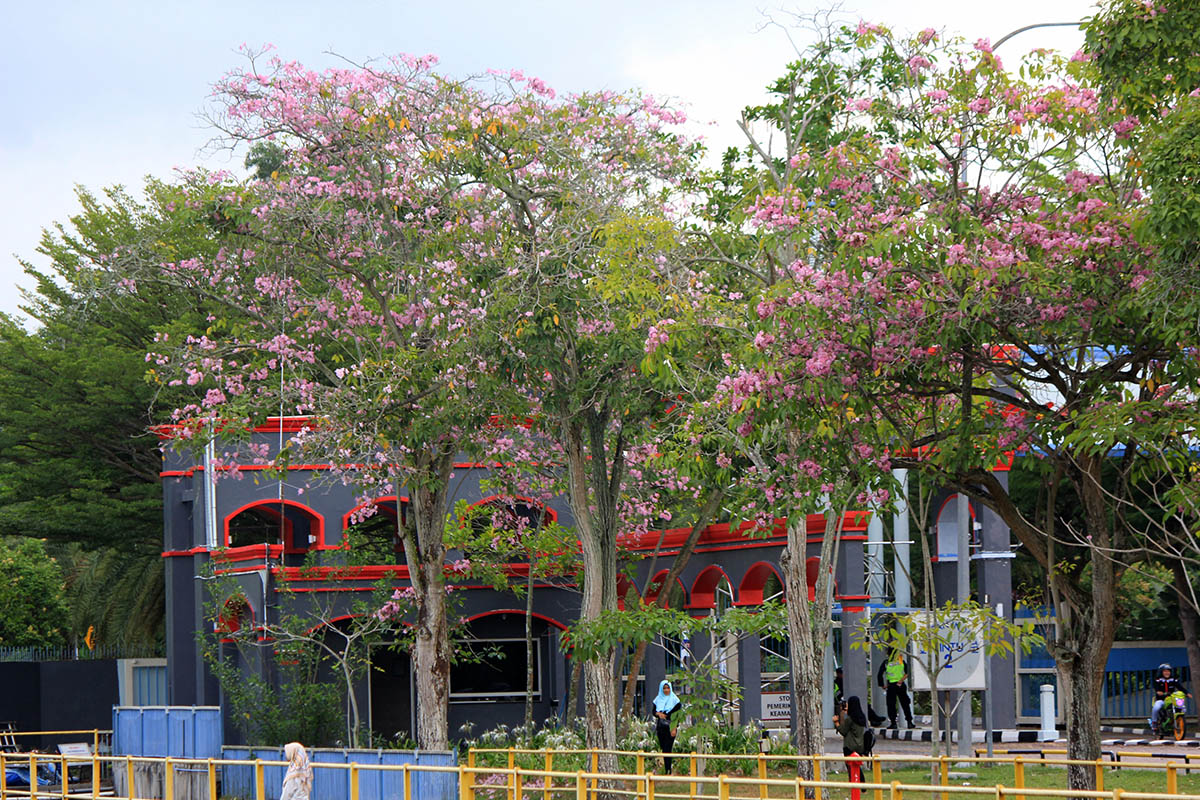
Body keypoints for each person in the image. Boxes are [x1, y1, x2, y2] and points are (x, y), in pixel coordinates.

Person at [835, 696, 871, 800]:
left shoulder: (850, 719)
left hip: (849, 746)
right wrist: (844, 713)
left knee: (851, 768)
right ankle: (862, 786)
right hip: (860, 746)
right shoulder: (861, 717)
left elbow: (843, 730)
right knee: (857, 767)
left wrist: (836, 722)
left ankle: (855, 785)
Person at [877, 650, 914, 730]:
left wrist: (882, 685)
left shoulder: (886, 662)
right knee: (905, 704)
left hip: (891, 686)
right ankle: (909, 722)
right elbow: (908, 672)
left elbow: (880, 674)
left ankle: (893, 723)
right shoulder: (901, 660)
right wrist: (901, 681)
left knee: (891, 705)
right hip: (900, 685)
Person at [1149, 664, 1192, 732]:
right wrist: (1159, 692)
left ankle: (1177, 720)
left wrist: (1187, 693)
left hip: (1171, 699)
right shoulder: (1158, 680)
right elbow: (1157, 689)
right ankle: (1154, 723)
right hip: (1161, 700)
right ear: (1161, 672)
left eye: (1168, 671)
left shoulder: (1173, 680)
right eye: (1165, 671)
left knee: (1180, 706)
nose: (1167, 673)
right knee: (1156, 708)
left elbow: (1180, 687)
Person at [652, 679, 682, 773]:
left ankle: (668, 770)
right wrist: (658, 714)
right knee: (664, 748)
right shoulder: (658, 699)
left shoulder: (675, 700)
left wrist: (674, 728)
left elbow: (677, 715)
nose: (666, 690)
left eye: (668, 688)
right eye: (664, 688)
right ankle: (667, 770)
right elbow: (653, 712)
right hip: (661, 728)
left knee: (668, 749)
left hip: (671, 727)